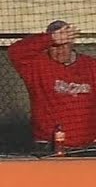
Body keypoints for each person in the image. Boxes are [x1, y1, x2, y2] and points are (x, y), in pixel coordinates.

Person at [8, 20, 96, 154]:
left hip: (88, 146)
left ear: (72, 44)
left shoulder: (90, 66)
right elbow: (15, 52)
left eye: (64, 45)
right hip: (49, 146)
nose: (60, 51)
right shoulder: (36, 66)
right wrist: (50, 38)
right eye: (55, 46)